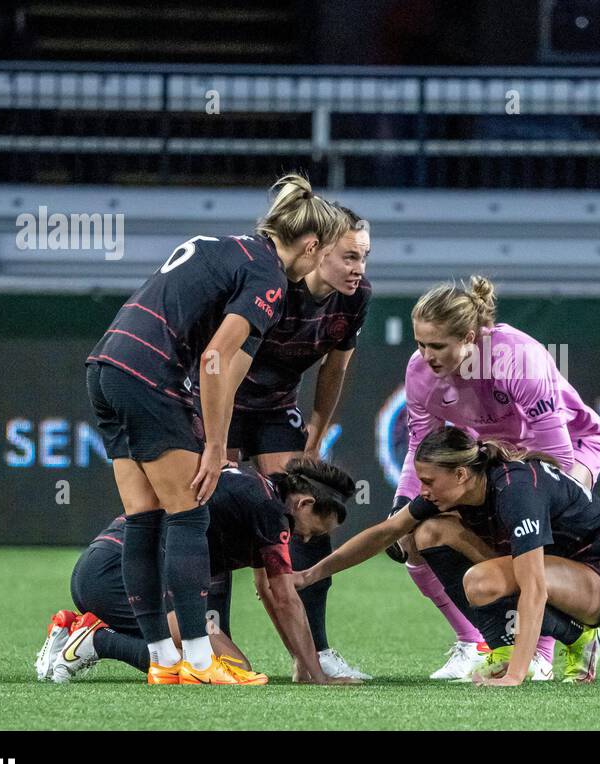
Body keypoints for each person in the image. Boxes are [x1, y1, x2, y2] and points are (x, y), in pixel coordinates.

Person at [85, 172, 348, 685]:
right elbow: (212, 361)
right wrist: (214, 446)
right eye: (324, 255)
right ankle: (203, 663)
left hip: (106, 366)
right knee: (189, 513)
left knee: (144, 517)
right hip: (151, 373)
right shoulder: (268, 275)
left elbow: (227, 367)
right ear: (311, 244)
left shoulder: (230, 249)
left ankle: (164, 662)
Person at [388, 275, 600, 680]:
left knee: (531, 538)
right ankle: (474, 641)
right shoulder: (420, 373)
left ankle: (541, 651)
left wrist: (514, 496)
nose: (427, 355)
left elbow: (556, 460)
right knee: (418, 540)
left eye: (437, 345)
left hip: (570, 448)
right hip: (493, 459)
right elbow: (421, 452)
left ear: (470, 337)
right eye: (419, 343)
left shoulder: (519, 359)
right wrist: (403, 510)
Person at [295, 429, 600, 686]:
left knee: (483, 580)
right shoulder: (456, 489)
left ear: (460, 474)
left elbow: (535, 588)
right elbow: (385, 533)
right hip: (558, 571)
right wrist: (311, 574)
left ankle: (581, 639)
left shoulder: (515, 492)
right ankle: (501, 647)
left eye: (428, 481)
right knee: (428, 533)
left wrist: (513, 677)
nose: (422, 489)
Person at [195, 201, 373, 681]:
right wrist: (215, 435)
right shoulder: (274, 284)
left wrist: (316, 428)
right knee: (219, 513)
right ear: (317, 251)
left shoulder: (354, 300)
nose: (359, 269)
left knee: (304, 520)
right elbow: (221, 360)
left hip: (276, 410)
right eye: (350, 257)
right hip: (225, 402)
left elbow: (336, 367)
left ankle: (312, 654)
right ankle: (209, 647)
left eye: (365, 257)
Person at [35, 459, 360, 686]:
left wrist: (305, 665)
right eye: (315, 531)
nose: (307, 539)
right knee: (219, 669)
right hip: (118, 579)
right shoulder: (269, 511)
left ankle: (75, 631)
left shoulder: (258, 493)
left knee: (231, 666)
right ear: (304, 503)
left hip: (103, 567)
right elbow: (285, 598)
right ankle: (95, 640)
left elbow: (274, 595)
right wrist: (319, 676)